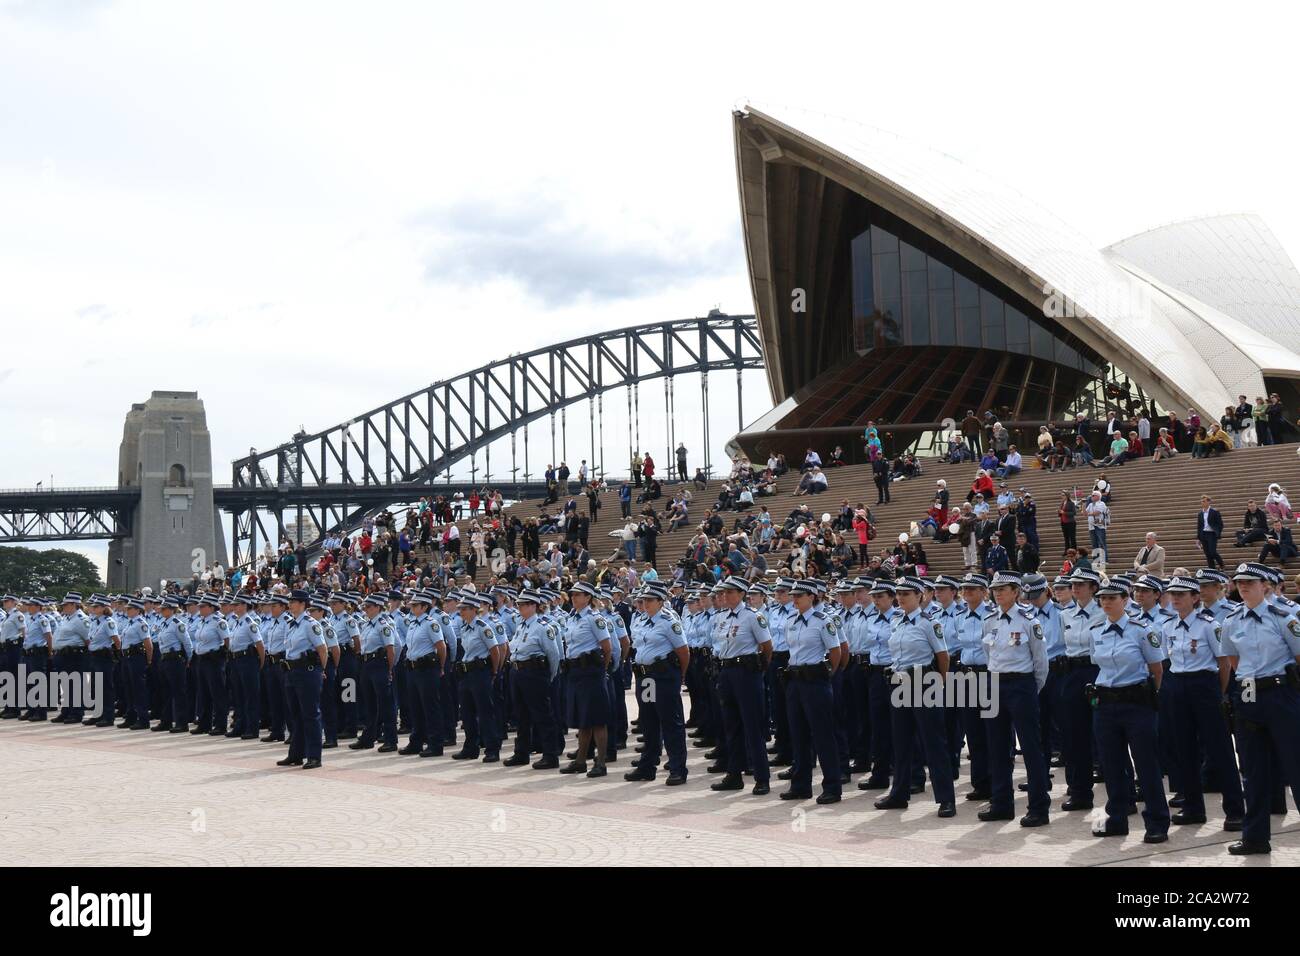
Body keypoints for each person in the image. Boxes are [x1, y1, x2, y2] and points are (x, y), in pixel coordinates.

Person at [1219, 562, 1300, 854]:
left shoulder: (1284, 617)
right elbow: (1233, 659)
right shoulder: (1232, 620)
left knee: (1295, 765)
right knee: (1253, 771)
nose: (1243, 587)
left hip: (1281, 695)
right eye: (1239, 582)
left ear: (1265, 586)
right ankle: (1255, 837)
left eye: (1250, 583)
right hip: (1249, 698)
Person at [1160, 575, 1244, 830]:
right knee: (1184, 748)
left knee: (1219, 749)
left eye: (1181, 594)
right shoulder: (1167, 626)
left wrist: (1217, 692)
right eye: (1173, 594)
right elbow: (1166, 661)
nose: (1175, 598)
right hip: (1177, 685)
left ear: (1195, 598)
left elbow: (1224, 663)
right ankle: (1193, 807)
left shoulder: (1209, 625)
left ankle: (1235, 810)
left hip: (1204, 685)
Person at [1089, 579, 1169, 842]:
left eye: (1112, 598)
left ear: (1125, 600)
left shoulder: (1141, 630)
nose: (1107, 602)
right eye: (1103, 598)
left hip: (1137, 702)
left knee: (1146, 765)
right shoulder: (1096, 630)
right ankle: (1117, 817)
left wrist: (1151, 701)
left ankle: (1157, 821)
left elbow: (1157, 670)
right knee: (1112, 765)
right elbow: (1098, 664)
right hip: (1106, 703)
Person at [872, 576, 956, 818]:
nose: (900, 598)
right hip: (900, 682)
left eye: (906, 594)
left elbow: (943, 656)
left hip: (924, 681)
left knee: (934, 743)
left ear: (920, 596)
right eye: (898, 593)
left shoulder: (929, 623)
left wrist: (938, 683)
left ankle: (946, 799)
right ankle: (899, 793)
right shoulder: (897, 620)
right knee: (901, 741)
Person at [978, 571, 1051, 827]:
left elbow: (1041, 662)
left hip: (1022, 684)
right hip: (995, 683)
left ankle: (1039, 807)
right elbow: (988, 653)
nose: (998, 593)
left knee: (1031, 748)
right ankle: (1001, 803)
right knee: (996, 747)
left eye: (1004, 588)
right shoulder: (989, 620)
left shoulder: (1029, 621)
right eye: (995, 588)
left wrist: (1031, 689)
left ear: (1016, 591)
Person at [708, 576, 773, 795]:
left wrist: (758, 671)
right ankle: (734, 774)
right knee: (731, 725)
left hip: (747, 672)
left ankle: (761, 777)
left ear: (742, 593)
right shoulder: (722, 617)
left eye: (730, 592)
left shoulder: (753, 617)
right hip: (726, 671)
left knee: (752, 726)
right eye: (724, 592)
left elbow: (767, 646)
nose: (725, 595)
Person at [780, 580, 843, 804]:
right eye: (793, 594)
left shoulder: (822, 621)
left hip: (815, 682)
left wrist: (826, 674)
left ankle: (832, 787)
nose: (795, 598)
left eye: (800, 595)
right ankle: (800, 785)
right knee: (798, 735)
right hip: (795, 681)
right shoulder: (790, 621)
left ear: (813, 597)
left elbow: (836, 652)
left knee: (823, 735)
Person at [624, 582, 690, 785]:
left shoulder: (669, 622)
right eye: (644, 600)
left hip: (663, 677)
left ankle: (678, 768)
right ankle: (647, 766)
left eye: (650, 600)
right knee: (648, 720)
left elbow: (684, 652)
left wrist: (680, 677)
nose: (645, 603)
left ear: (661, 601)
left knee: (671, 723)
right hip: (645, 677)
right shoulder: (643, 620)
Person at [504, 589, 562, 769]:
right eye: (519, 604)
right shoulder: (521, 626)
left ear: (533, 606)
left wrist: (548, 677)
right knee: (521, 716)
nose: (519, 607)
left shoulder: (543, 627)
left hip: (534, 673)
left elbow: (554, 655)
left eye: (523, 604)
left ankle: (550, 754)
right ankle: (521, 752)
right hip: (518, 672)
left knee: (542, 714)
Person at [559, 581, 611, 777]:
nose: (573, 597)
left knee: (597, 719)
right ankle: (580, 761)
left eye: (578, 594)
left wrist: (600, 671)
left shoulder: (594, 618)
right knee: (583, 719)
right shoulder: (572, 618)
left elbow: (607, 648)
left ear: (588, 597)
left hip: (591, 672)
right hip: (575, 672)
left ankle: (601, 763)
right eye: (572, 594)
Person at [279, 591, 328, 770]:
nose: (290, 604)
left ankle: (314, 756)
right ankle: (296, 754)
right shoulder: (291, 624)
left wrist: (321, 671)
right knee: (296, 716)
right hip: (292, 672)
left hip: (307, 672)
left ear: (303, 604)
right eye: (290, 601)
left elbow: (322, 649)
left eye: (293, 601)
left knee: (310, 715)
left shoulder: (310, 624)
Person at [1196, 495, 1225, 569]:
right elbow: (1199, 526)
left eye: (1204, 501)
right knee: (1207, 554)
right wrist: (1198, 538)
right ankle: (1212, 569)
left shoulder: (1214, 512)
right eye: (1201, 501)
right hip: (1203, 534)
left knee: (1213, 552)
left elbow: (1220, 524)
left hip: (1211, 534)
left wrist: (1218, 532)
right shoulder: (1200, 514)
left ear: (1209, 502)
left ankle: (1221, 564)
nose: (1202, 503)